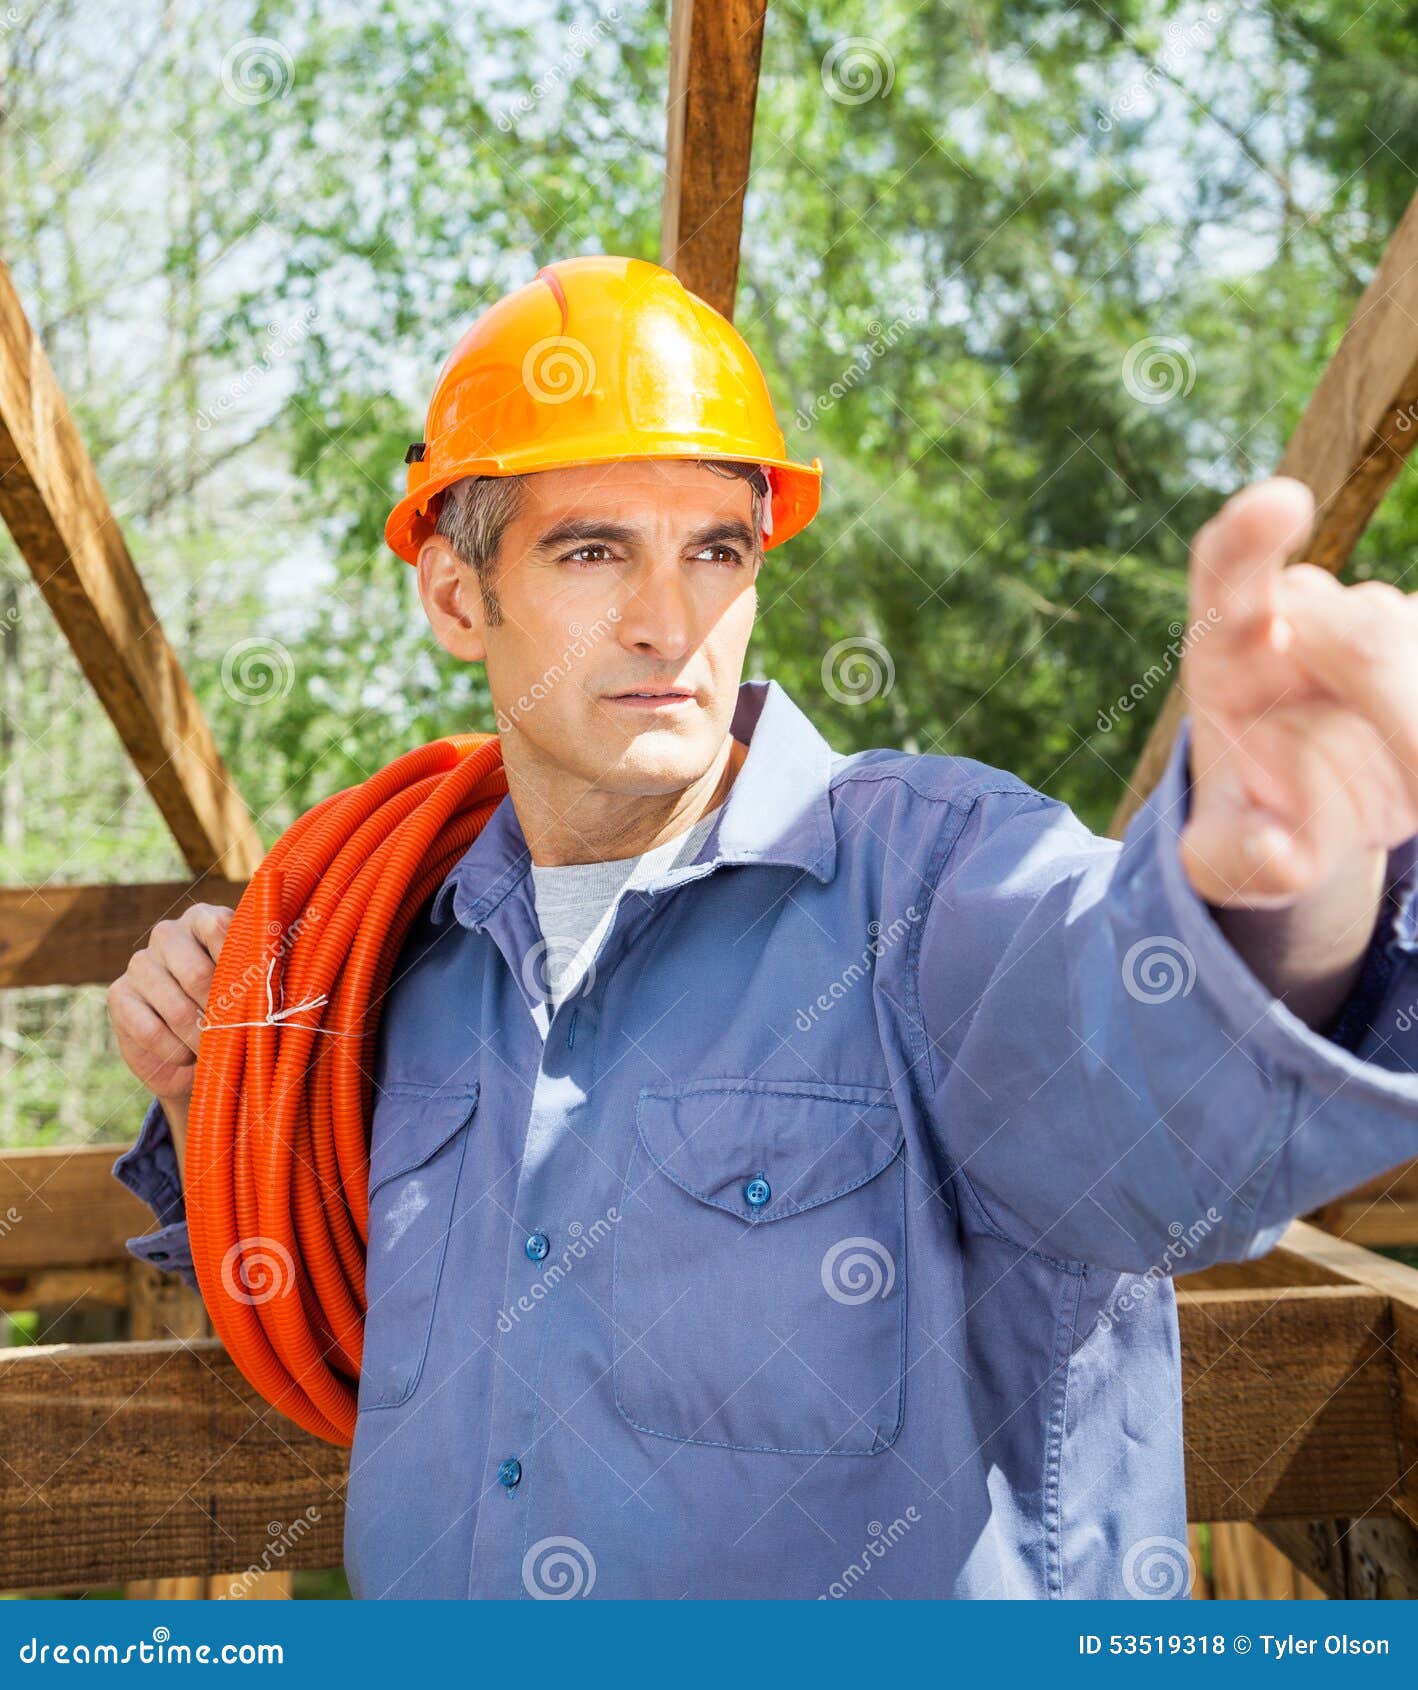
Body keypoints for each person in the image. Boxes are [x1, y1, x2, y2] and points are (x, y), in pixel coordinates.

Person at [106, 254, 1418, 1600]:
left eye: (714, 550)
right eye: (593, 549)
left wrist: (1291, 885)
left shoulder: (927, 881)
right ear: (456, 596)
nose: (668, 619)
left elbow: (1160, 1098)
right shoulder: (405, 962)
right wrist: (217, 1100)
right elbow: (312, 1293)